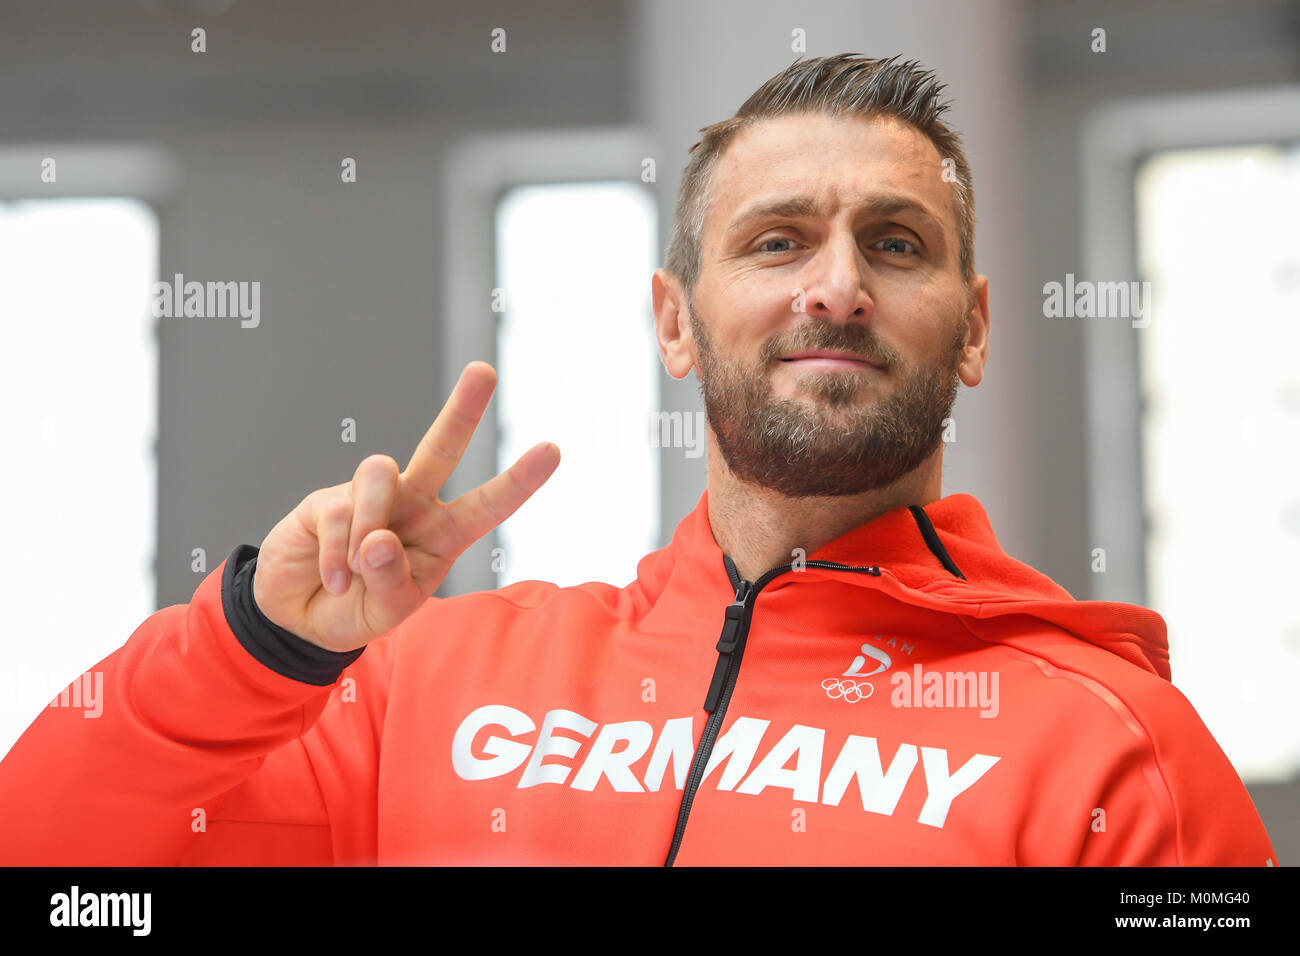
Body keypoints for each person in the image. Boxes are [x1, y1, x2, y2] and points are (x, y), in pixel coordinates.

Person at [0, 53, 1277, 866]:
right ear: (673, 322)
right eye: (777, 241)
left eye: (895, 244)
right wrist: (251, 643)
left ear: (976, 326)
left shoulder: (1114, 749)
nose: (836, 286)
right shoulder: (428, 687)